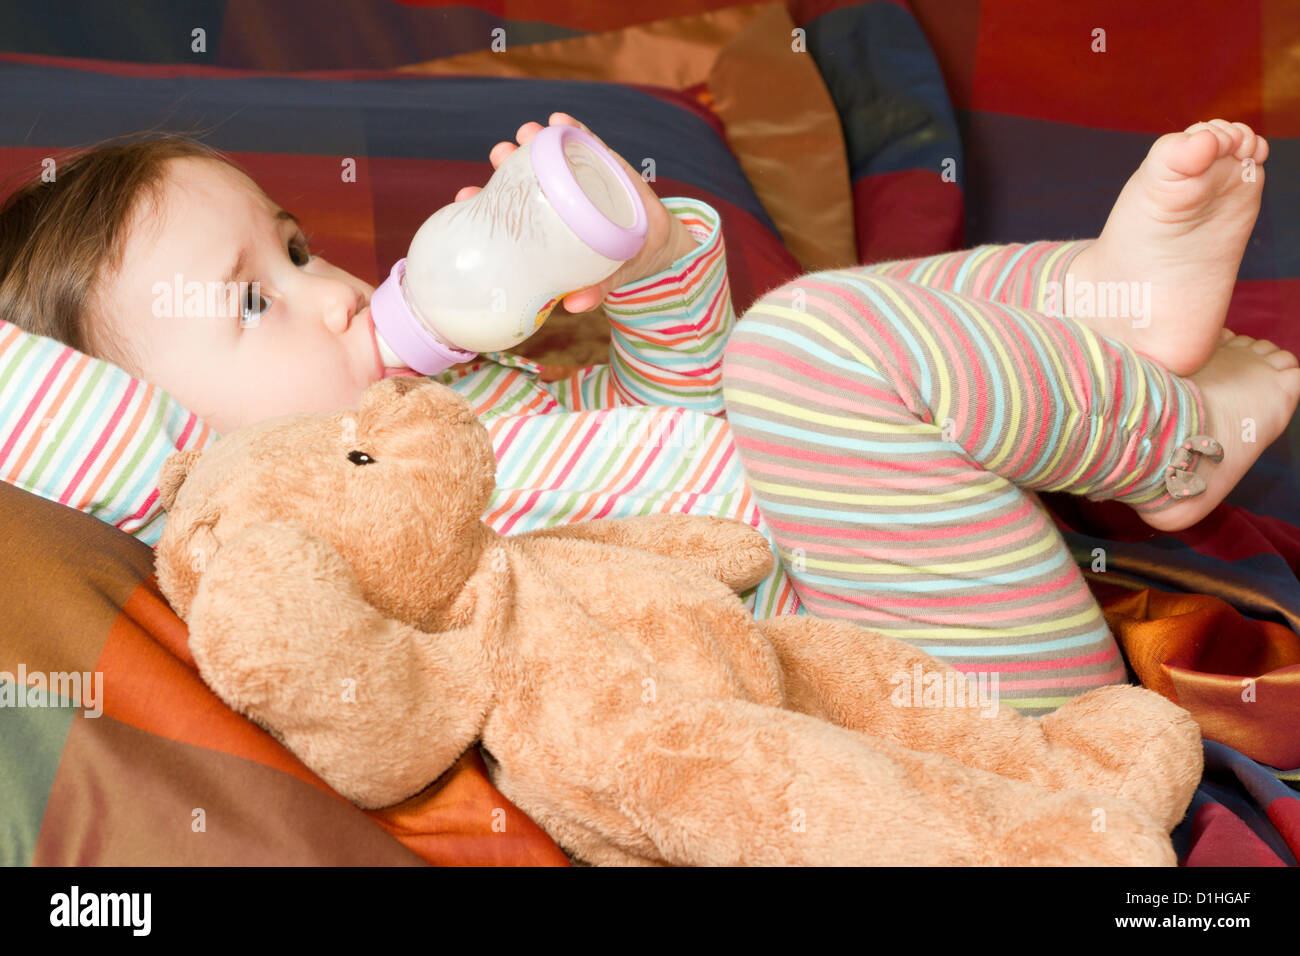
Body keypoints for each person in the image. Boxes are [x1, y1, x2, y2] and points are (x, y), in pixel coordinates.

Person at [1, 113, 1295, 715]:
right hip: (966, 699)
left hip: (928, 542)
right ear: (155, 435)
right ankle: (1161, 441)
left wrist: (647, 271)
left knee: (821, 329)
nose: (333, 289)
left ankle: (1110, 312)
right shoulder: (342, 546)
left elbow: (687, 420)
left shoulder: (463, 394)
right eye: (249, 303)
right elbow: (46, 421)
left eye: (292, 245)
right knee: (805, 349)